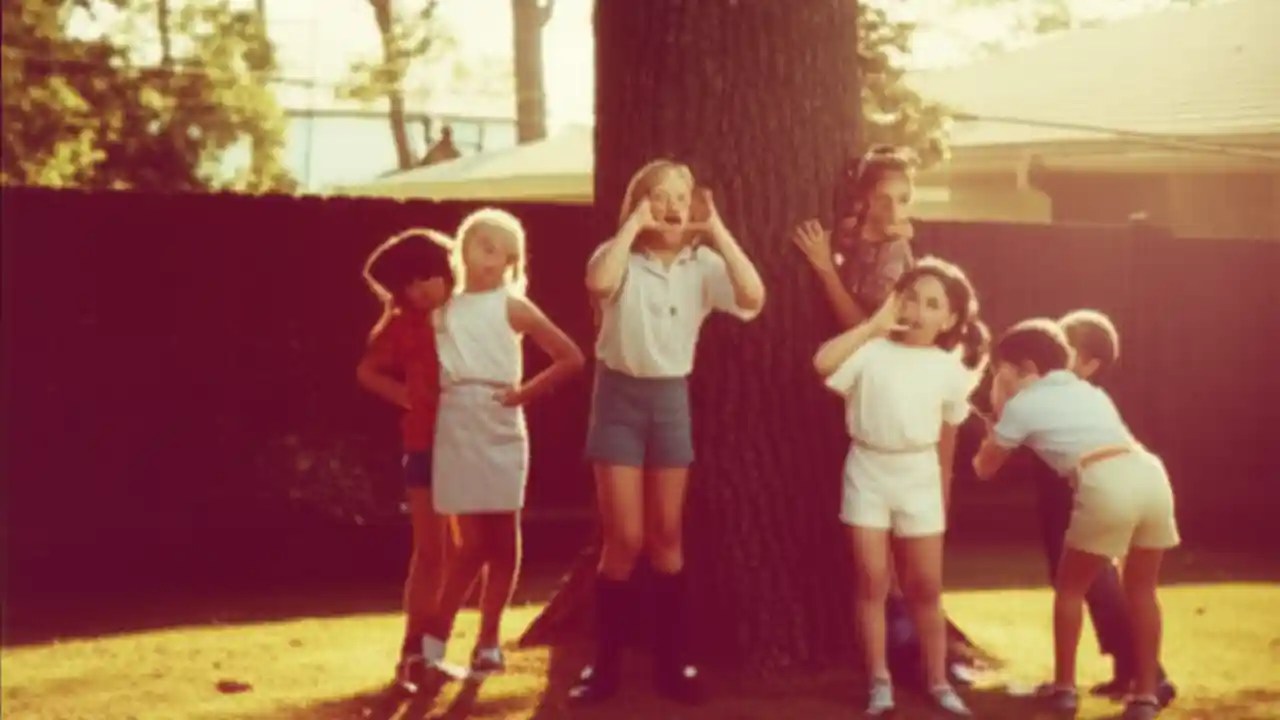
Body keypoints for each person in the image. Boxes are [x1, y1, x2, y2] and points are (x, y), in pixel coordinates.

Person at [570, 159, 766, 705]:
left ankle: (672, 664)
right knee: (625, 539)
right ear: (639, 202)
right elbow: (599, 281)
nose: (673, 204)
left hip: (670, 401)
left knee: (667, 537)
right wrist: (633, 225)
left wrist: (716, 228)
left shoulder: (700, 265)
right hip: (617, 399)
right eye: (660, 195)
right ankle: (603, 666)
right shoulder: (617, 259)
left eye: (682, 195)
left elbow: (753, 297)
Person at [973, 318, 1180, 720]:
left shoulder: (1022, 404)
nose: (999, 381)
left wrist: (999, 407)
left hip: (1105, 482)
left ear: (1027, 368)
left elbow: (984, 467)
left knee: (1070, 587)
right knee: (1141, 590)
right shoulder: (1088, 391)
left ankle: (1065, 689)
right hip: (1152, 476)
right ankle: (1145, 696)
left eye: (1002, 373)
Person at [814, 257, 989, 718]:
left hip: (918, 478)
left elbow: (950, 429)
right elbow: (823, 362)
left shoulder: (947, 368)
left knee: (925, 586)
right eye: (910, 297)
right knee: (871, 580)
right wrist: (874, 324)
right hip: (867, 471)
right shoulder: (871, 350)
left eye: (932, 304)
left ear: (949, 319)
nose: (917, 309)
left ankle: (937, 680)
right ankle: (879, 681)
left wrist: (942, 491)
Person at [417, 208, 584, 679]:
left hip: (502, 426)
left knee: (504, 541)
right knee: (469, 546)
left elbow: (570, 356)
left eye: (505, 253)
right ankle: (434, 640)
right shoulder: (441, 308)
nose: (494, 259)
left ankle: (489, 640)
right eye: (486, 246)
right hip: (456, 424)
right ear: (464, 245)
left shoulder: (514, 306)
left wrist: (521, 395)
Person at [355, 228, 460, 693]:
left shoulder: (469, 313)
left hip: (471, 443)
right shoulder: (404, 325)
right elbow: (367, 372)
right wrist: (407, 397)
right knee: (432, 551)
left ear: (445, 271)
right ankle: (413, 653)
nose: (417, 293)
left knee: (464, 553)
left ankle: (433, 651)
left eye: (424, 280)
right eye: (407, 288)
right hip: (425, 446)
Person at [792, 145, 917, 329]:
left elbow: (864, 330)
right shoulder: (850, 227)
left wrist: (824, 267)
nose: (894, 211)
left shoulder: (893, 256)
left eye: (903, 199)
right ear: (862, 199)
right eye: (883, 199)